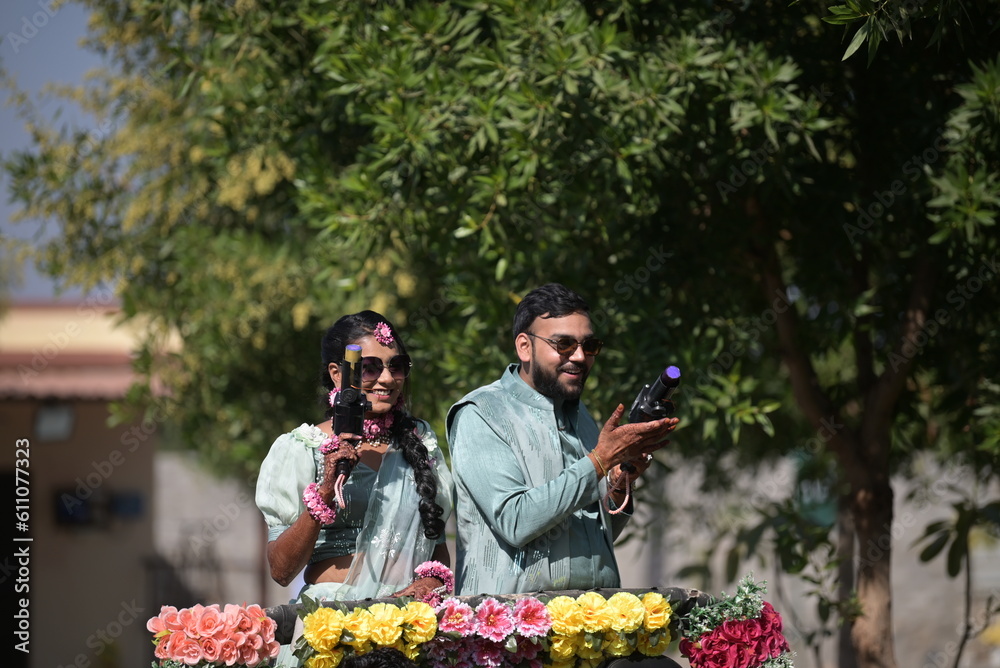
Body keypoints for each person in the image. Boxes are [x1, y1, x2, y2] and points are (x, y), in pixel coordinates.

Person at [447, 283, 679, 595]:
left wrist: (620, 478)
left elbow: (595, 533)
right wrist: (598, 461)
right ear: (524, 347)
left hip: (595, 625)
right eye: (564, 344)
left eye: (589, 345)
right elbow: (516, 521)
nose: (580, 357)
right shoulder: (481, 413)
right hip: (512, 632)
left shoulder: (581, 416)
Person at [256, 311, 454, 663]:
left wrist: (434, 582)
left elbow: (435, 543)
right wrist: (326, 490)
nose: (388, 379)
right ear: (338, 374)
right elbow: (281, 571)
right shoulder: (303, 448)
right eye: (370, 368)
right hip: (332, 629)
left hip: (407, 630)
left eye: (397, 366)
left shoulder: (421, 441)